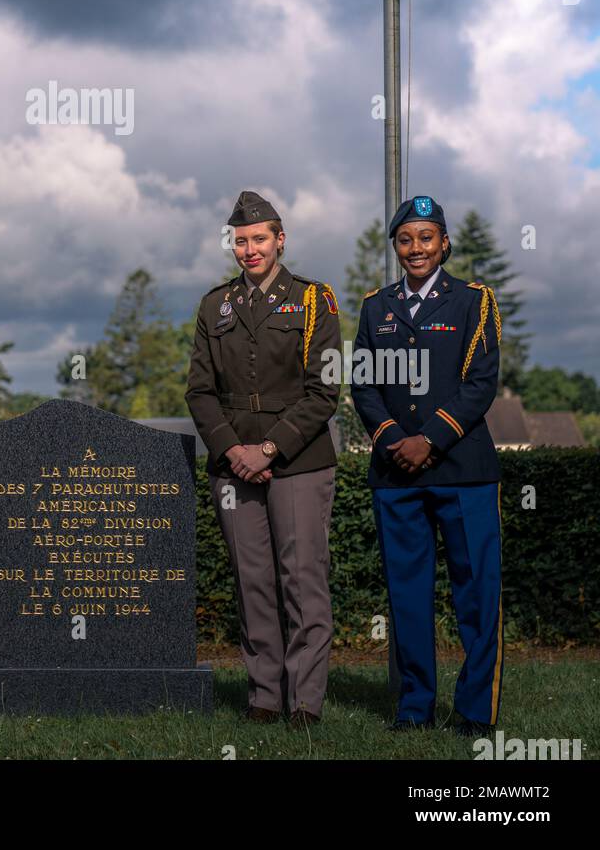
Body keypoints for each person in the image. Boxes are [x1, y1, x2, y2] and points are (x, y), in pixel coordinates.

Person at [186, 190, 341, 727]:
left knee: (301, 579)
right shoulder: (215, 305)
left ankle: (304, 700)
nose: (249, 250)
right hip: (233, 464)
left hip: (297, 460)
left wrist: (268, 447)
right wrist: (233, 449)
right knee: (252, 581)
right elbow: (200, 392)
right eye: (240, 241)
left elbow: (325, 391)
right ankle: (264, 695)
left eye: (259, 239)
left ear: (281, 240)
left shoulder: (315, 300)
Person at [351, 195, 503, 735]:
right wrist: (394, 437)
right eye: (406, 238)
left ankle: (474, 710)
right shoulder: (376, 306)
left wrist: (430, 440)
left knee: (477, 593)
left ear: (444, 243)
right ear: (395, 246)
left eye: (426, 237)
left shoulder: (473, 301)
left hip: (463, 470)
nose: (416, 248)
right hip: (396, 473)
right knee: (407, 595)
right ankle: (414, 706)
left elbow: (481, 383)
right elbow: (363, 384)